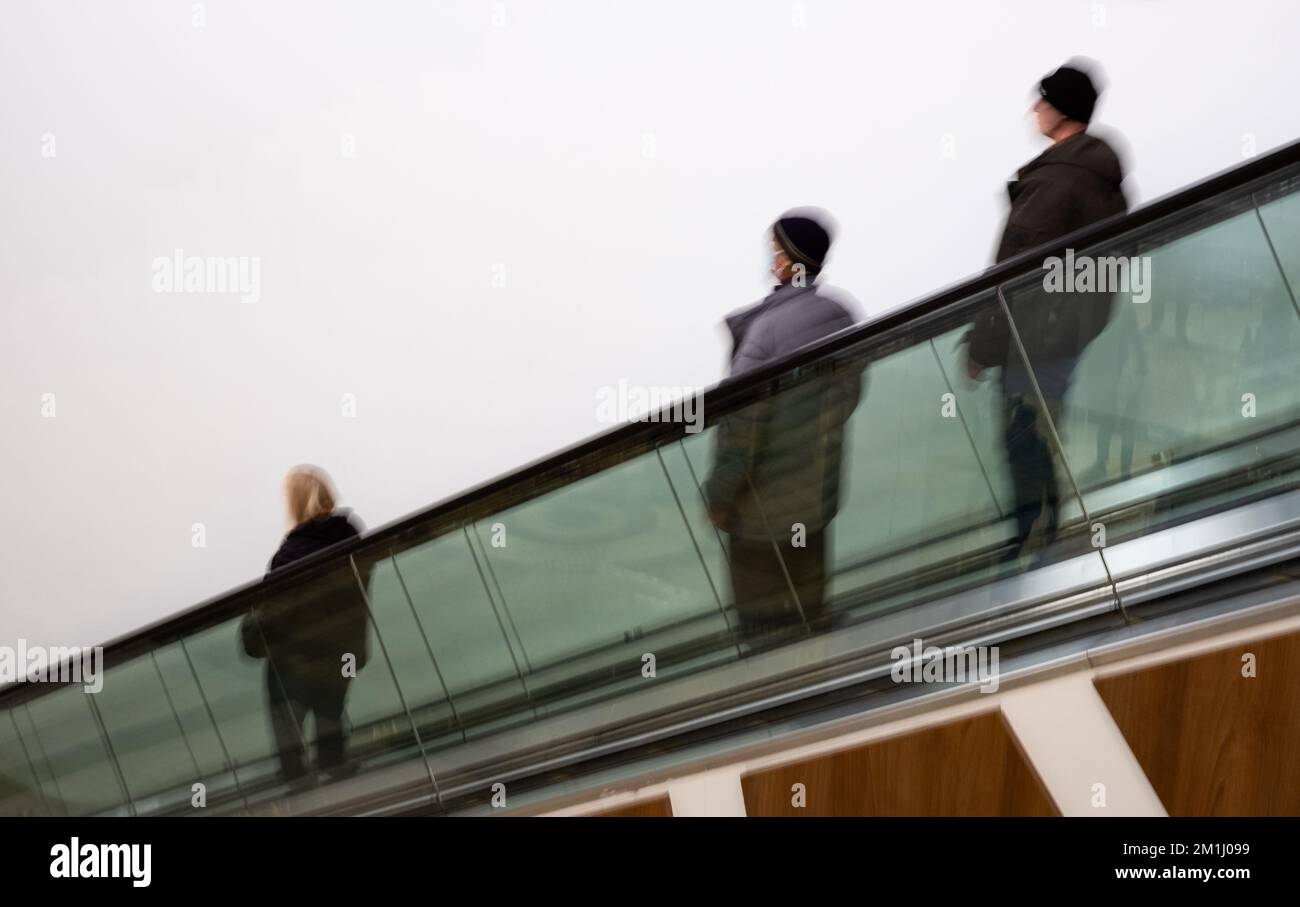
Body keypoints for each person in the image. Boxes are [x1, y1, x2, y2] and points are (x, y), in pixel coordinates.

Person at [965, 60, 1128, 560]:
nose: (1034, 109)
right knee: (1034, 436)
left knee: (1025, 439)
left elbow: (1012, 271)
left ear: (1060, 110)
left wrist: (983, 343)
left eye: (1042, 100)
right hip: (1060, 335)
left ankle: (1033, 547)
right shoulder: (1099, 178)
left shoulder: (1058, 180)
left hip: (1033, 338)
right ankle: (1037, 539)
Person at [704, 208, 862, 641]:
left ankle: (770, 702)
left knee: (762, 627)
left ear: (792, 260)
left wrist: (719, 494)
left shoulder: (765, 333)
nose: (770, 260)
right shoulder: (841, 316)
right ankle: (820, 689)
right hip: (815, 496)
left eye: (775, 251)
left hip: (760, 511)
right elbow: (848, 397)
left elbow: (741, 425)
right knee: (810, 611)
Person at [241, 465, 370, 783]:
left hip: (295, 662)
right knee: (330, 708)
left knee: (284, 713)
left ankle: (296, 777)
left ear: (295, 504)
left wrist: (250, 627)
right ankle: (333, 764)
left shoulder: (290, 555)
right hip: (343, 653)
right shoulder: (351, 536)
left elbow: (275, 615)